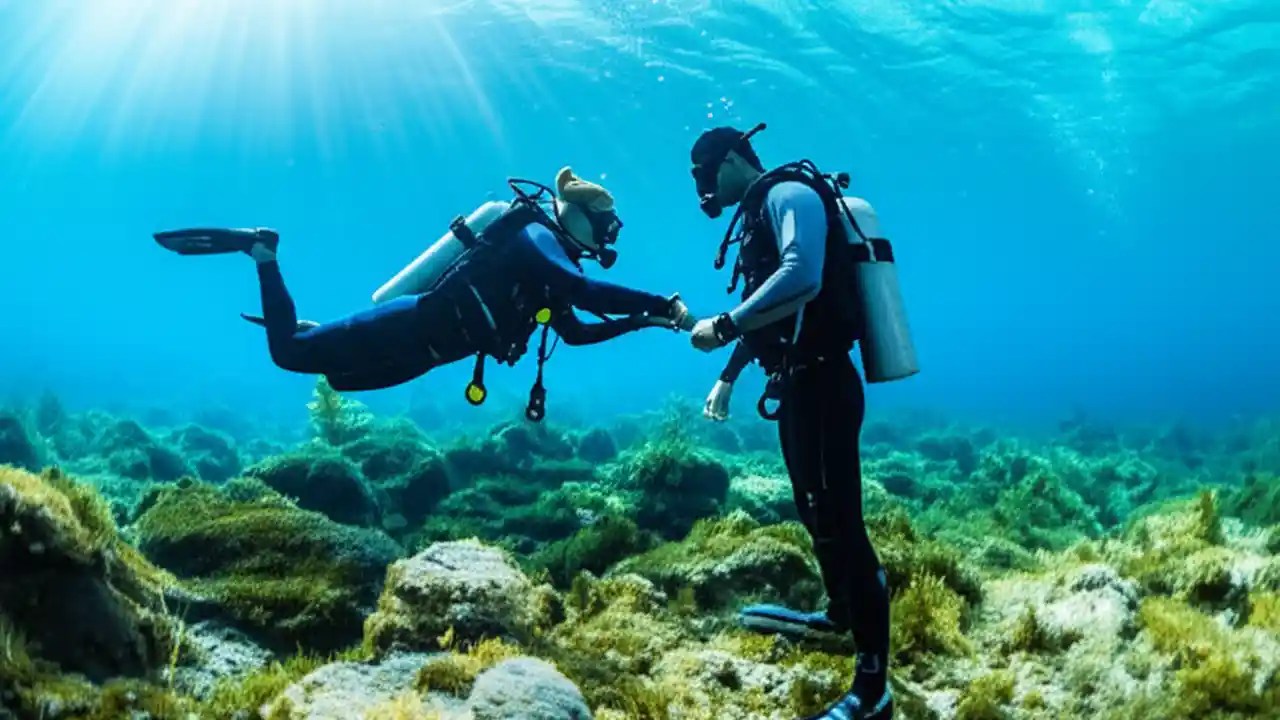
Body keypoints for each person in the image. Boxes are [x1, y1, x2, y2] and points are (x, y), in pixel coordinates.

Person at [154, 168, 695, 420]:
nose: (607, 239)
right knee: (288, 356)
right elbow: (583, 289)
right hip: (412, 324)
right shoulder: (535, 237)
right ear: (581, 216)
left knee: (337, 377)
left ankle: (317, 330)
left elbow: (574, 333)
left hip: (425, 356)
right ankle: (262, 252)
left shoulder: (551, 266)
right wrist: (658, 303)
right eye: (607, 227)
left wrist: (642, 323)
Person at [685, 124, 894, 720]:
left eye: (703, 174)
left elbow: (802, 278)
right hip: (798, 385)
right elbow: (773, 309)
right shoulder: (759, 212)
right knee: (813, 510)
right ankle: (839, 614)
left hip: (826, 383)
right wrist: (729, 373)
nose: (702, 188)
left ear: (730, 160)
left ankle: (874, 687)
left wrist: (724, 325)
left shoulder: (790, 194)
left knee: (843, 524)